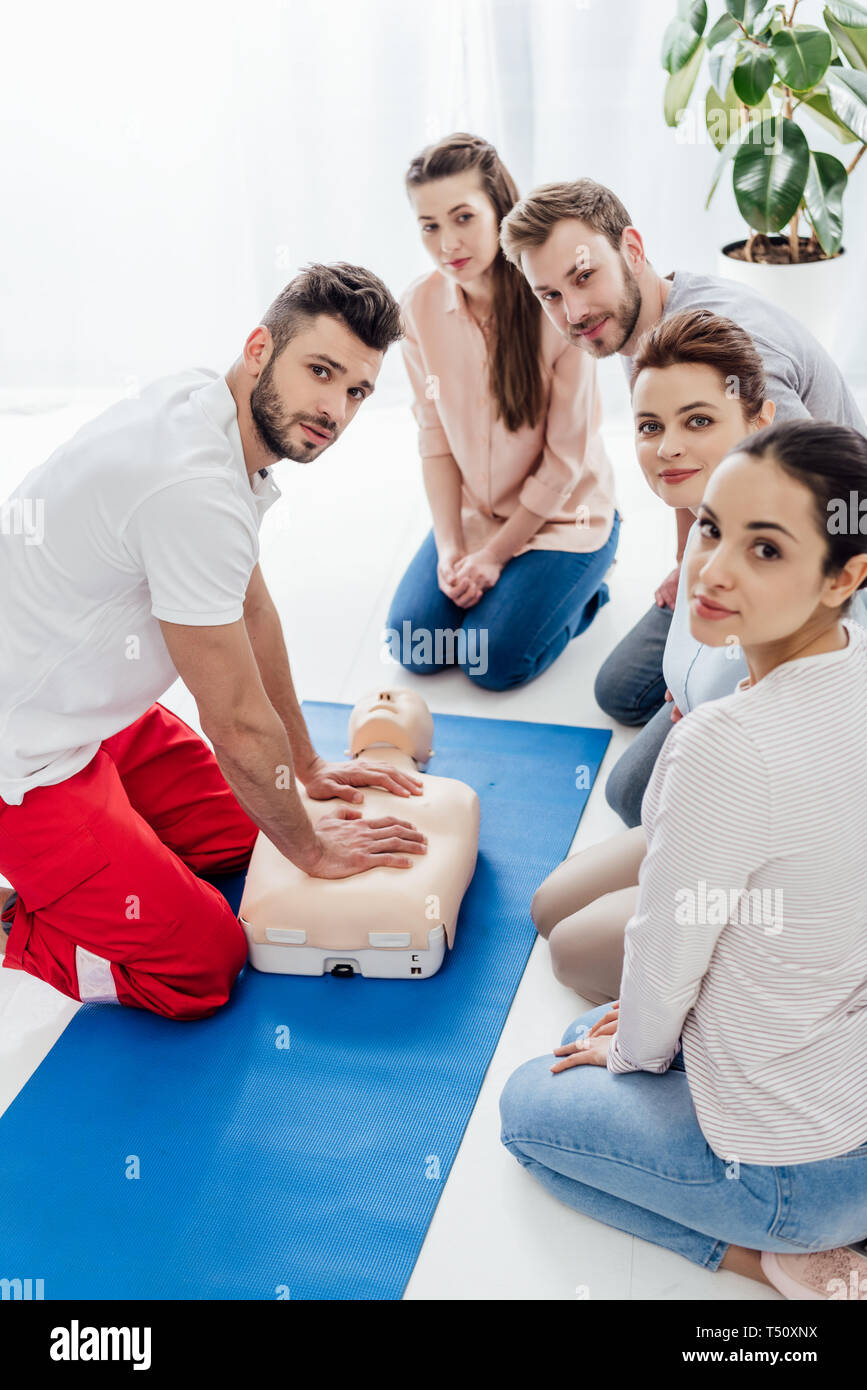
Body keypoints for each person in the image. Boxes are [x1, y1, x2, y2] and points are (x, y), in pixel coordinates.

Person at [0, 263, 430, 1021]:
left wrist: (303, 765)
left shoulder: (211, 408)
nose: (334, 408)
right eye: (320, 372)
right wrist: (312, 850)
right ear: (260, 347)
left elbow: (252, 608)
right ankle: (15, 922)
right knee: (202, 967)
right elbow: (232, 722)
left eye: (357, 391)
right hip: (25, 763)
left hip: (89, 710)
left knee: (243, 837)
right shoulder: (191, 486)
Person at [500, 419, 867, 1301]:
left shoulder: (724, 745)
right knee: (599, 1036)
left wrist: (632, 1052)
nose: (715, 568)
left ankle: (770, 1261)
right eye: (710, 528)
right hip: (846, 1113)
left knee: (528, 1105)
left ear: (843, 577)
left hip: (793, 1178)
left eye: (766, 549)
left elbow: (666, 949)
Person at [499, 178, 866, 806]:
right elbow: (692, 475)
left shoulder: (737, 353)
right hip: (740, 542)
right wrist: (684, 568)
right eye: (550, 295)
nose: (574, 312)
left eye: (583, 277)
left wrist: (743, 676)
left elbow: (822, 527)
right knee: (618, 692)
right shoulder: (630, 323)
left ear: (632, 248)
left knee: (634, 797)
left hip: (826, 571)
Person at [532, 313, 867, 994]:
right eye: (649, 427)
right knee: (550, 905)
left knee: (571, 952)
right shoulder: (702, 520)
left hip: (784, 849)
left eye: (698, 422)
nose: (667, 448)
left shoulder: (815, 591)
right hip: (713, 768)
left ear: (757, 418)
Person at [385, 135, 620, 692]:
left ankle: (588, 590)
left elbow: (565, 464)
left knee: (488, 663)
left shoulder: (556, 306)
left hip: (566, 517)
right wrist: (451, 548)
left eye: (464, 217)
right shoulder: (418, 308)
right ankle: (512, 589)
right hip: (478, 514)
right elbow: (434, 439)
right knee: (413, 646)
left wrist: (493, 557)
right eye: (430, 226)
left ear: (500, 211)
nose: (448, 243)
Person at [239, 686, 480, 978]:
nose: (384, 697)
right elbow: (237, 712)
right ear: (348, 746)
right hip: (400, 921)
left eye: (406, 700)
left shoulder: (454, 796)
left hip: (281, 923)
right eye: (369, 698)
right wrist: (314, 852)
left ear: (428, 751)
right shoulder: (290, 790)